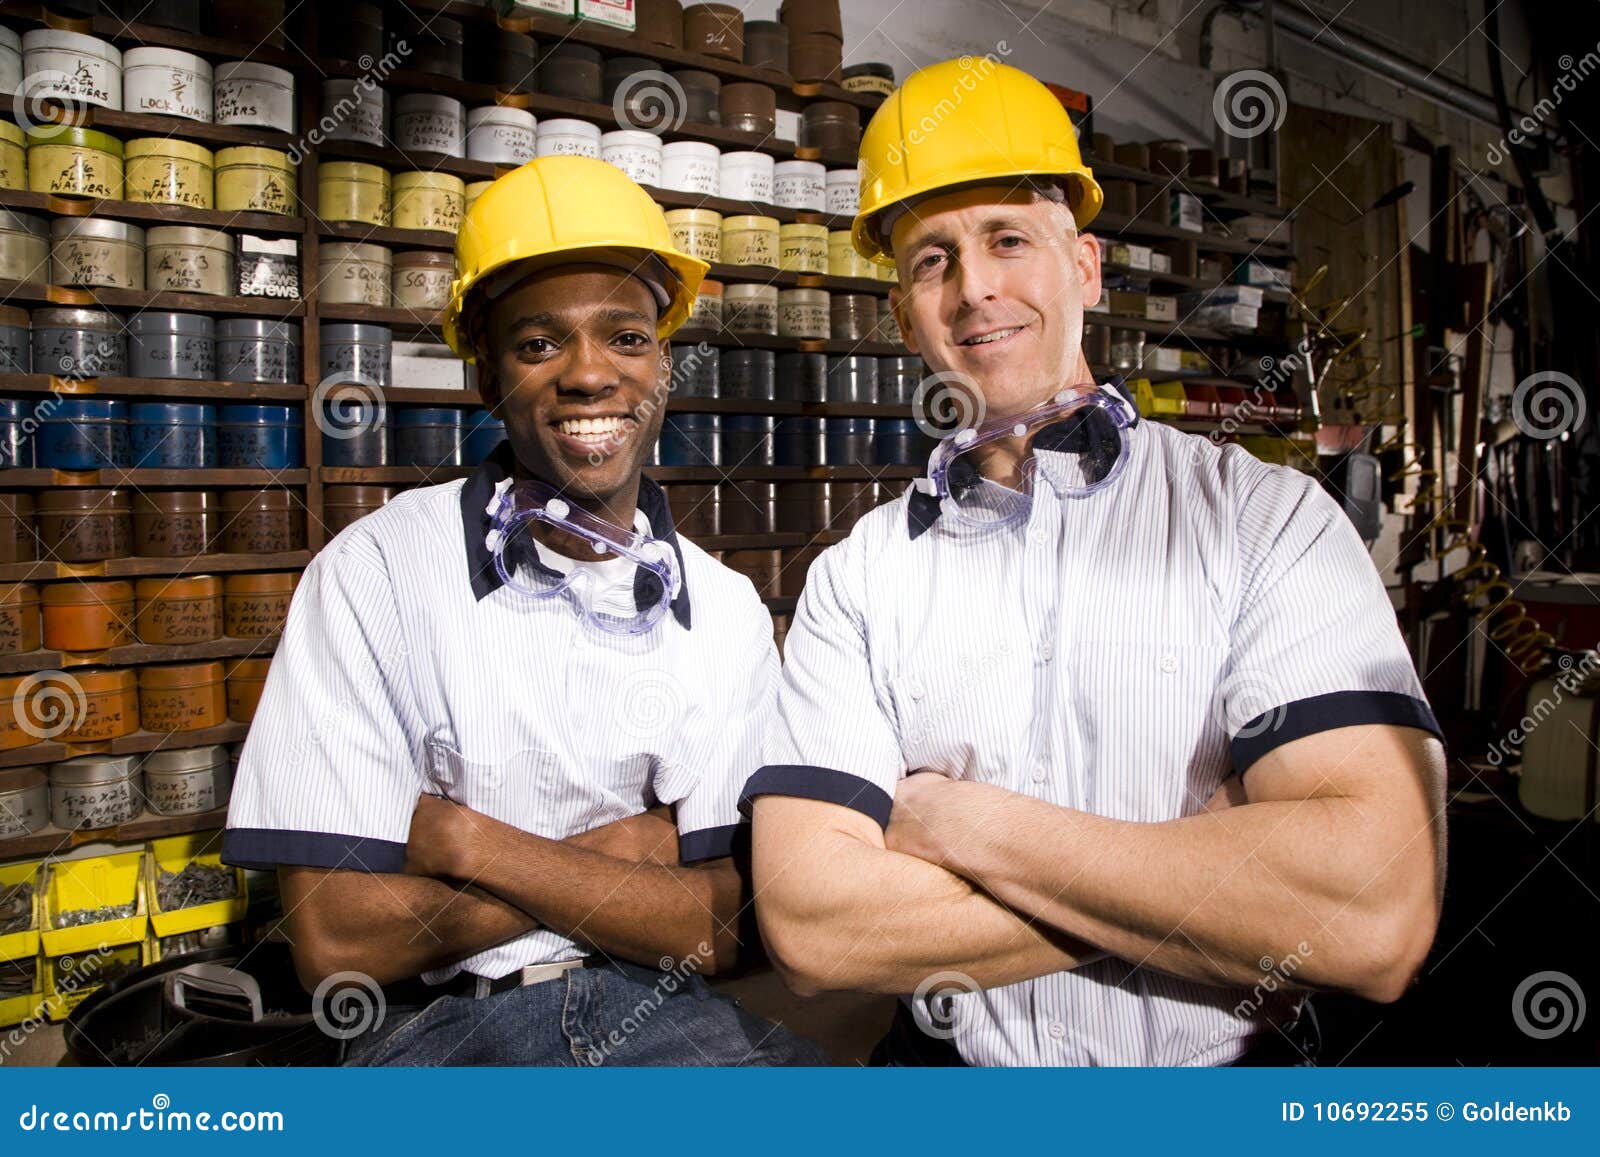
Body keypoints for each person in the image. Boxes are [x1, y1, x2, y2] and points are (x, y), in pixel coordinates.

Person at [743, 59, 1447, 1066]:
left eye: (1008, 240)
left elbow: (1372, 913)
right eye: (932, 260)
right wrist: (1213, 882)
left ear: (1084, 268)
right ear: (903, 317)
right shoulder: (859, 578)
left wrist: (949, 816)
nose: (975, 286)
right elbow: (814, 930)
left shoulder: (1261, 520)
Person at [222, 156, 822, 1067]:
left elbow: (737, 928)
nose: (589, 375)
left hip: (667, 1017)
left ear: (663, 366)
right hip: (438, 1032)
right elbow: (338, 941)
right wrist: (631, 853)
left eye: (626, 337)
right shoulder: (373, 574)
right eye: (539, 344)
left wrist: (472, 842)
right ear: (485, 375)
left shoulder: (728, 610)